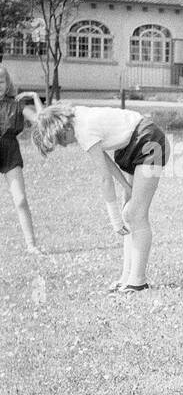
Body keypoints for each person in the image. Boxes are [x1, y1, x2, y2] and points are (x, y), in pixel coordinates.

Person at [31, 103, 169, 291]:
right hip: (131, 144)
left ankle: (138, 281)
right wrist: (126, 187)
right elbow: (104, 159)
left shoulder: (83, 128)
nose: (65, 144)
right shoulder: (78, 117)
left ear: (63, 127)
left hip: (148, 140)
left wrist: (114, 219)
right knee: (129, 214)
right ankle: (126, 278)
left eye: (61, 139)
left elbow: (104, 178)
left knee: (135, 214)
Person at [0, 69, 39, 253]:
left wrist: (34, 96)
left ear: (7, 84)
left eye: (1, 82)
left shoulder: (16, 105)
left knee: (21, 200)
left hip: (10, 151)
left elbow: (40, 119)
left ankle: (31, 244)